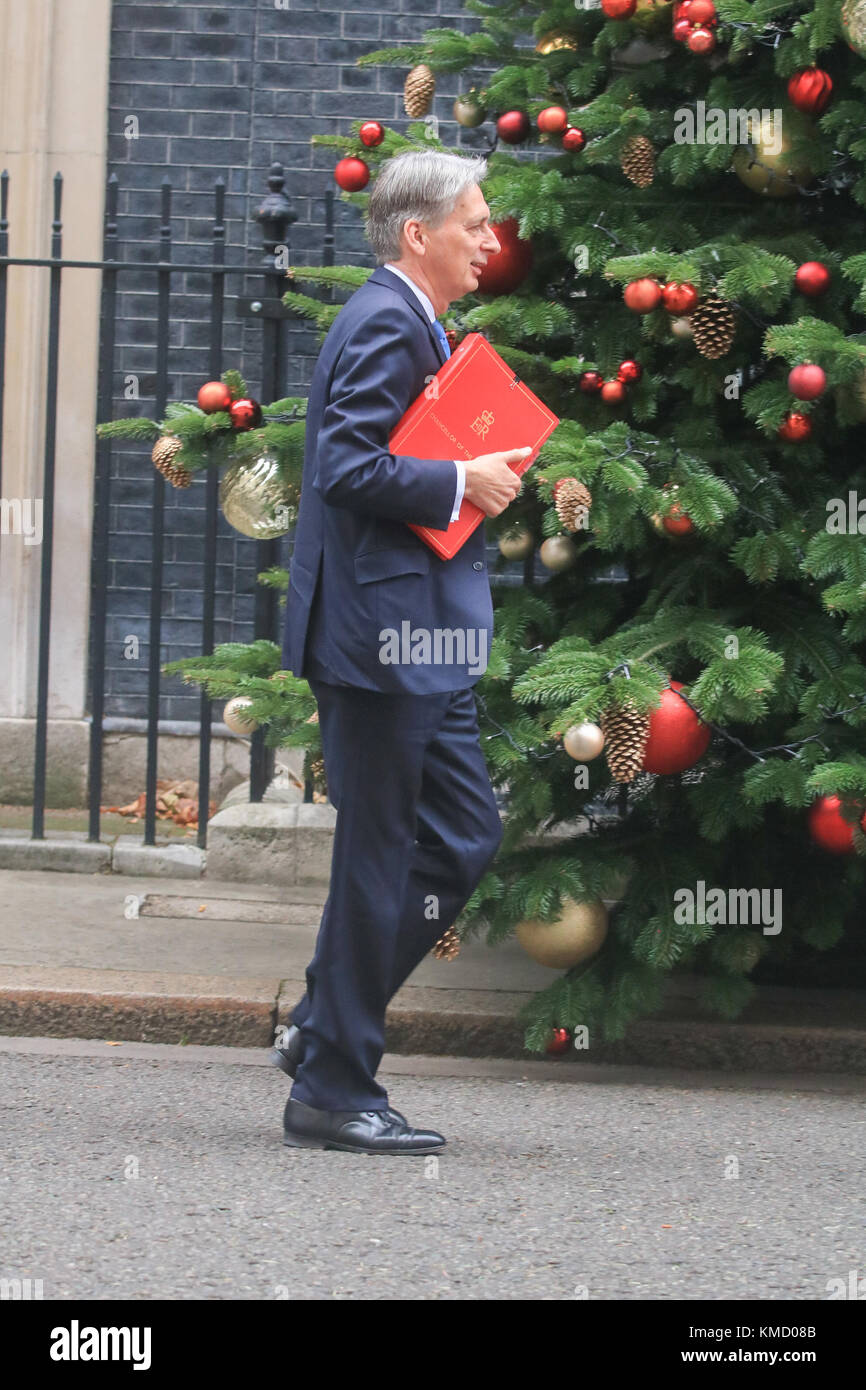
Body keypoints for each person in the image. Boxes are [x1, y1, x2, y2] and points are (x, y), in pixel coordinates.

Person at [275, 149, 531, 1155]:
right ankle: (333, 1085)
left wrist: (464, 469)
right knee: (378, 856)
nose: (488, 240)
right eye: (471, 223)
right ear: (415, 233)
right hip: (382, 640)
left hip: (422, 636)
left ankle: (321, 1025)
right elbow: (343, 465)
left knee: (462, 837)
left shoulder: (412, 320)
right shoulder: (384, 318)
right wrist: (459, 480)